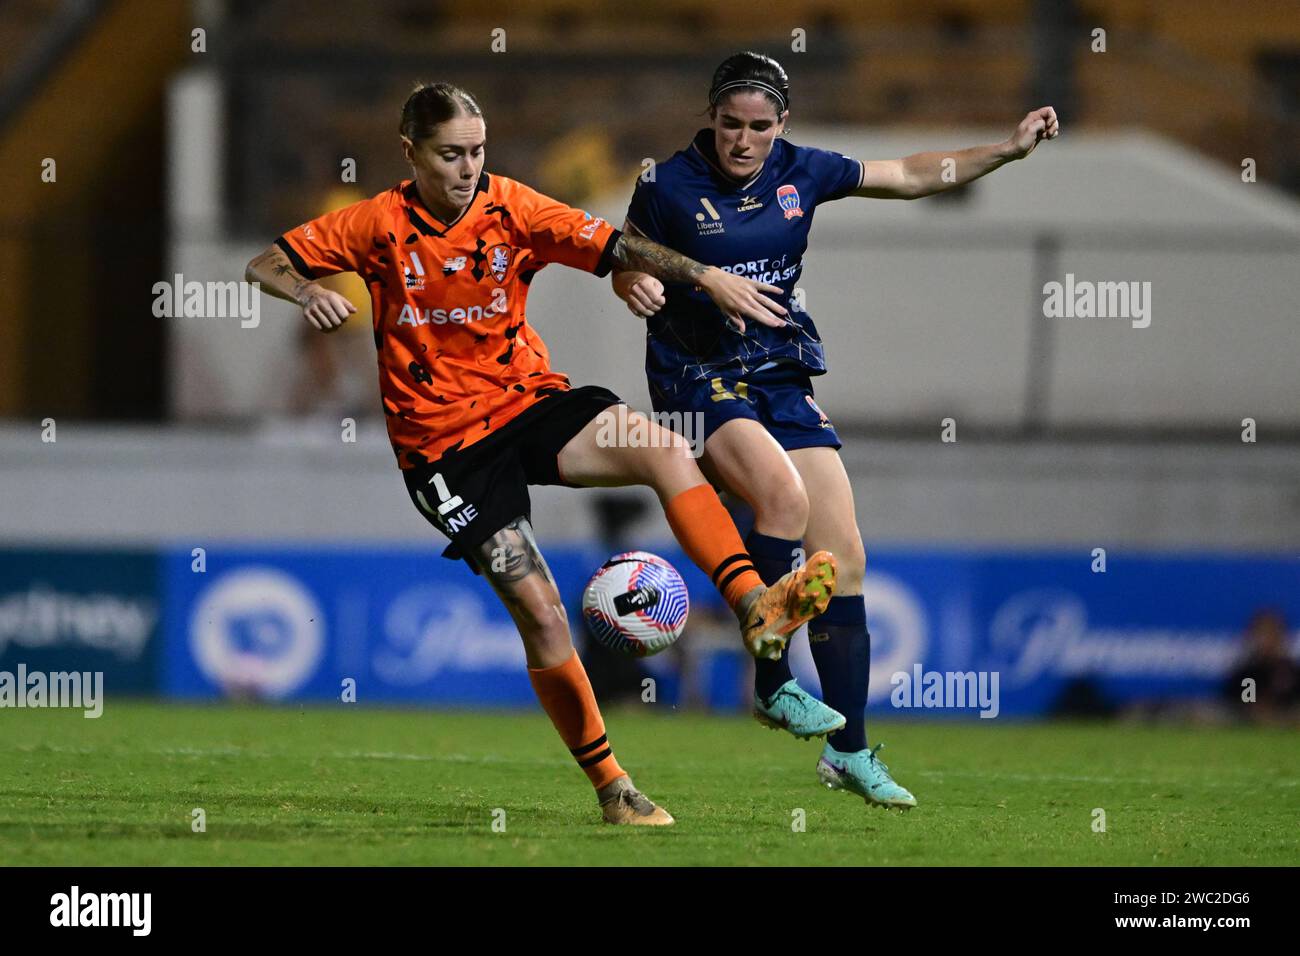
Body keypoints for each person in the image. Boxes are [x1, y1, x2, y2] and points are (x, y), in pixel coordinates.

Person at [245, 82, 839, 827]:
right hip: (444, 451)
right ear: (411, 153)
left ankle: (755, 602)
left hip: (527, 404)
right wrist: (304, 292)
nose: (468, 167)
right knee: (544, 614)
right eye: (450, 154)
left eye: (478, 151)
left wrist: (700, 275)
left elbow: (620, 247)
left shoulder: (514, 208)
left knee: (662, 450)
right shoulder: (375, 225)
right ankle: (614, 788)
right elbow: (264, 263)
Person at [611, 52, 1059, 809]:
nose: (742, 141)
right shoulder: (666, 183)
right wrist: (640, 281)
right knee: (779, 500)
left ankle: (848, 752)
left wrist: (1005, 151)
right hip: (695, 376)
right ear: (710, 117)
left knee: (843, 558)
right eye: (730, 124)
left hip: (780, 371)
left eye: (759, 126)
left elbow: (914, 174)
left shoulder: (804, 171)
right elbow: (623, 254)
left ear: (781, 124)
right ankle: (772, 682)